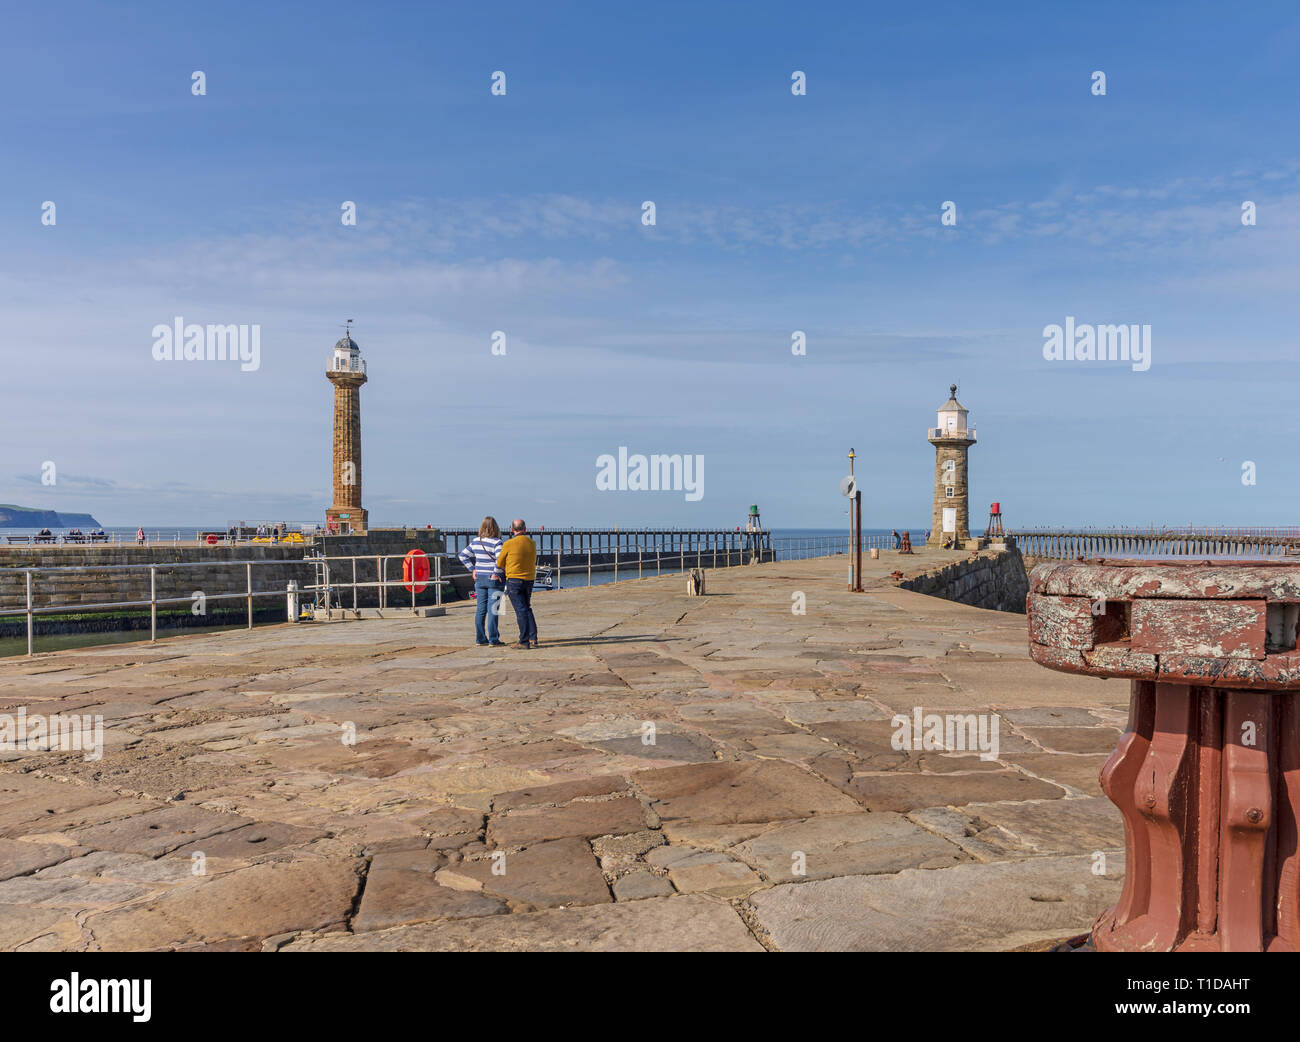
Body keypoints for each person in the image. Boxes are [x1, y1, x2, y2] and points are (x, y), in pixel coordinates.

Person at [458, 516, 506, 647]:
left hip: (479, 578)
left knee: (480, 610)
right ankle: (493, 639)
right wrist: (496, 573)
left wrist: (472, 569)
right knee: (494, 610)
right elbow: (499, 560)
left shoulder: (475, 541)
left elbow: (462, 555)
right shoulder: (497, 542)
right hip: (494, 579)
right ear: (495, 528)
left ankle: (480, 638)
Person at [496, 518, 538, 649]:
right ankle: (533, 637)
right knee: (527, 607)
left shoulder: (509, 544)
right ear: (525, 529)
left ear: (512, 530)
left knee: (520, 610)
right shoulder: (532, 543)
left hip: (514, 579)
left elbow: (499, 563)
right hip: (529, 579)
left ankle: (523, 641)